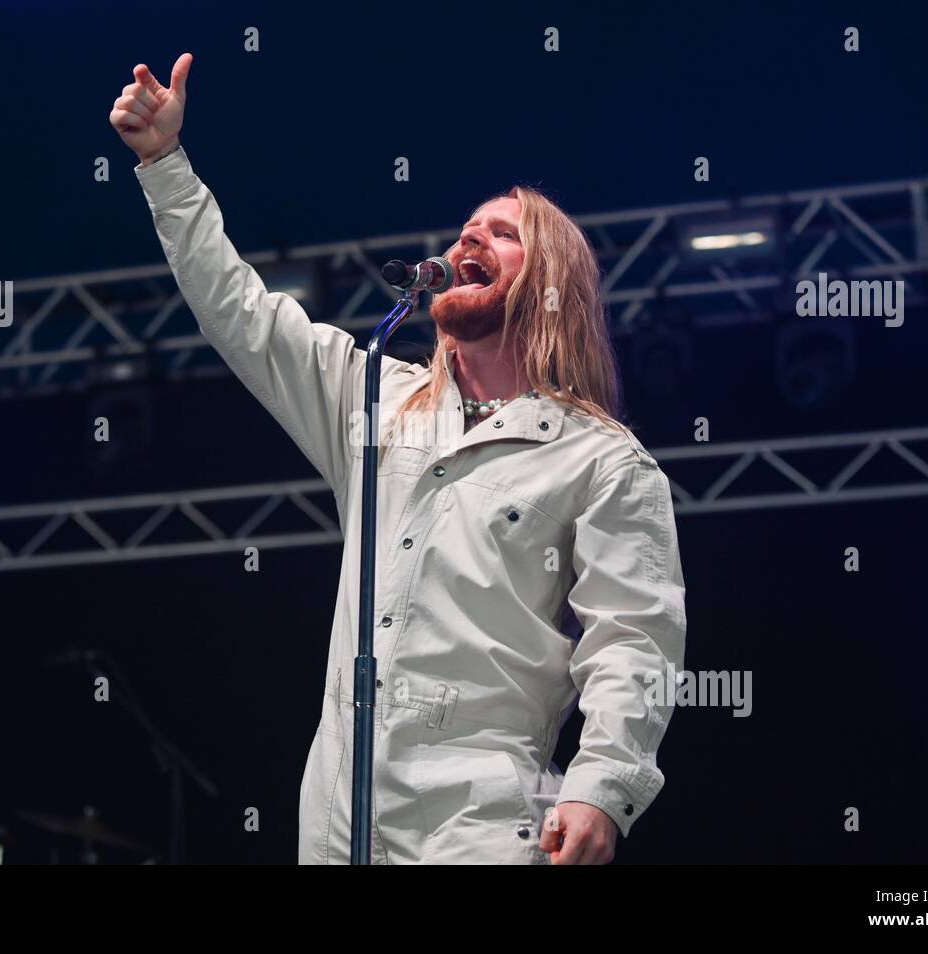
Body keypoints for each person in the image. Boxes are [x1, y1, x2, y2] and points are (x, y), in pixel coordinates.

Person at [110, 53, 687, 865]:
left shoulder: (600, 460)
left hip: (480, 828)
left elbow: (636, 639)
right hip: (338, 825)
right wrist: (165, 165)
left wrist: (604, 784)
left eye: (501, 234)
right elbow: (239, 311)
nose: (468, 238)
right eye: (464, 230)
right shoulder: (376, 398)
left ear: (550, 285)